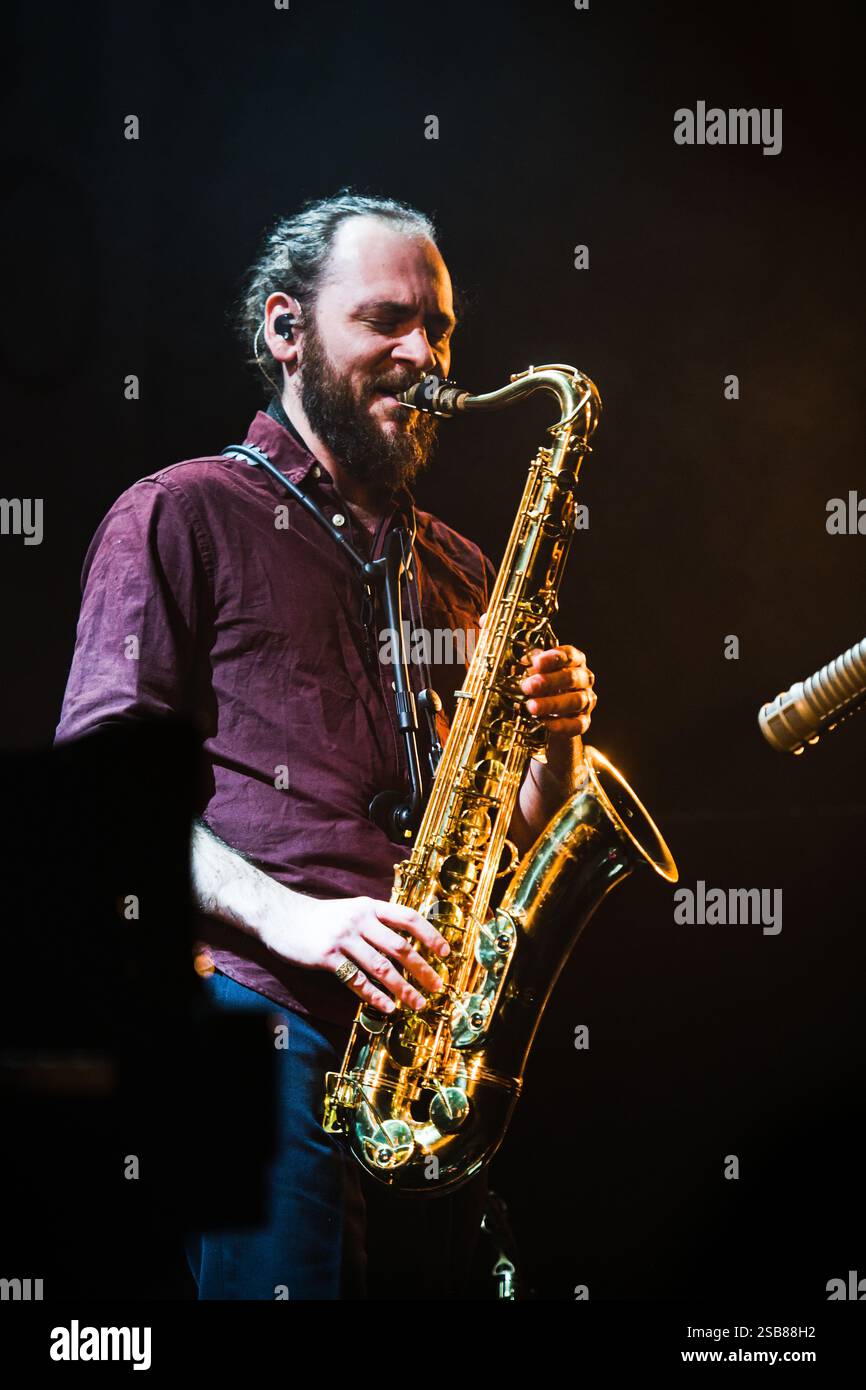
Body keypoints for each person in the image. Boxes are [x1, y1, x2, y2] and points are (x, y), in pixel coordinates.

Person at [54, 189, 597, 1299]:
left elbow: (514, 835)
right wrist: (296, 916)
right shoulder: (180, 513)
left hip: (425, 1066)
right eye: (385, 320)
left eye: (437, 328)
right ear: (285, 329)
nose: (423, 353)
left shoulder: (454, 563)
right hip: (253, 1022)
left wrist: (554, 747)